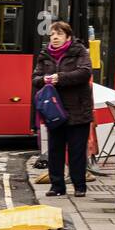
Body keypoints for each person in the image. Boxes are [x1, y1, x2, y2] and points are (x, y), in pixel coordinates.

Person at [32, 21, 94, 197]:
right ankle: (57, 186)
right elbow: (35, 78)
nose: (55, 38)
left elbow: (84, 72)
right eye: (52, 34)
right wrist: (44, 79)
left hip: (78, 110)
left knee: (76, 151)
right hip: (54, 111)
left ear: (68, 36)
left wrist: (61, 78)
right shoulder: (45, 54)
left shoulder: (79, 51)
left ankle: (79, 186)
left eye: (59, 34)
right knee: (55, 150)